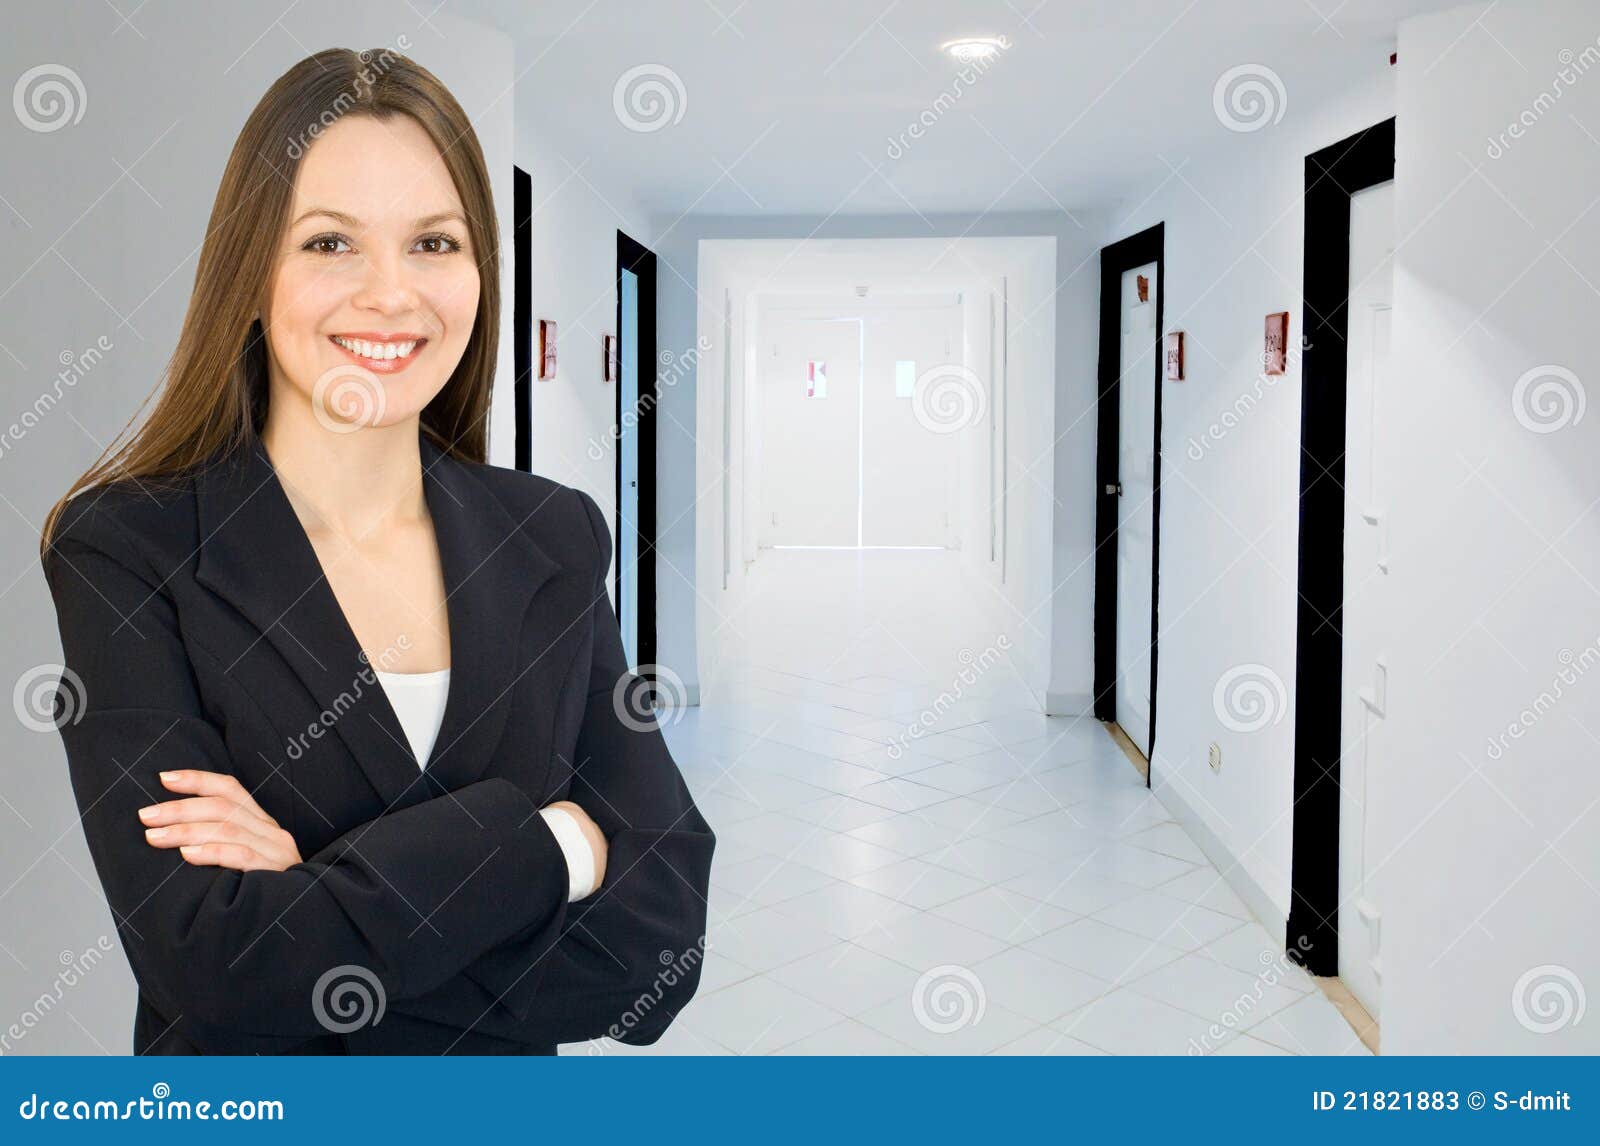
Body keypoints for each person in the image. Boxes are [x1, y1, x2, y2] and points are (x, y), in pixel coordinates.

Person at [37, 46, 714, 1055]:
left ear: (481, 268)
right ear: (251, 274)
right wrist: (549, 842)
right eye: (330, 244)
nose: (392, 295)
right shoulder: (129, 553)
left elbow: (657, 958)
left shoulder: (551, 536)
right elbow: (215, 969)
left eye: (434, 244)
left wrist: (314, 894)